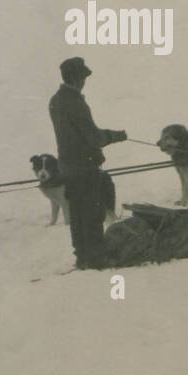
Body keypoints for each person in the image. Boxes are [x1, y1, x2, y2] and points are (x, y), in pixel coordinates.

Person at [48, 57, 126, 269]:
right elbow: (93, 137)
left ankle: (82, 255)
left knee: (77, 212)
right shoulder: (75, 102)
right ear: (76, 78)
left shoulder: (55, 100)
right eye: (83, 77)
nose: (85, 81)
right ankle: (95, 257)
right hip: (84, 166)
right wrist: (116, 136)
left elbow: (73, 136)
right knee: (92, 212)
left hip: (67, 166)